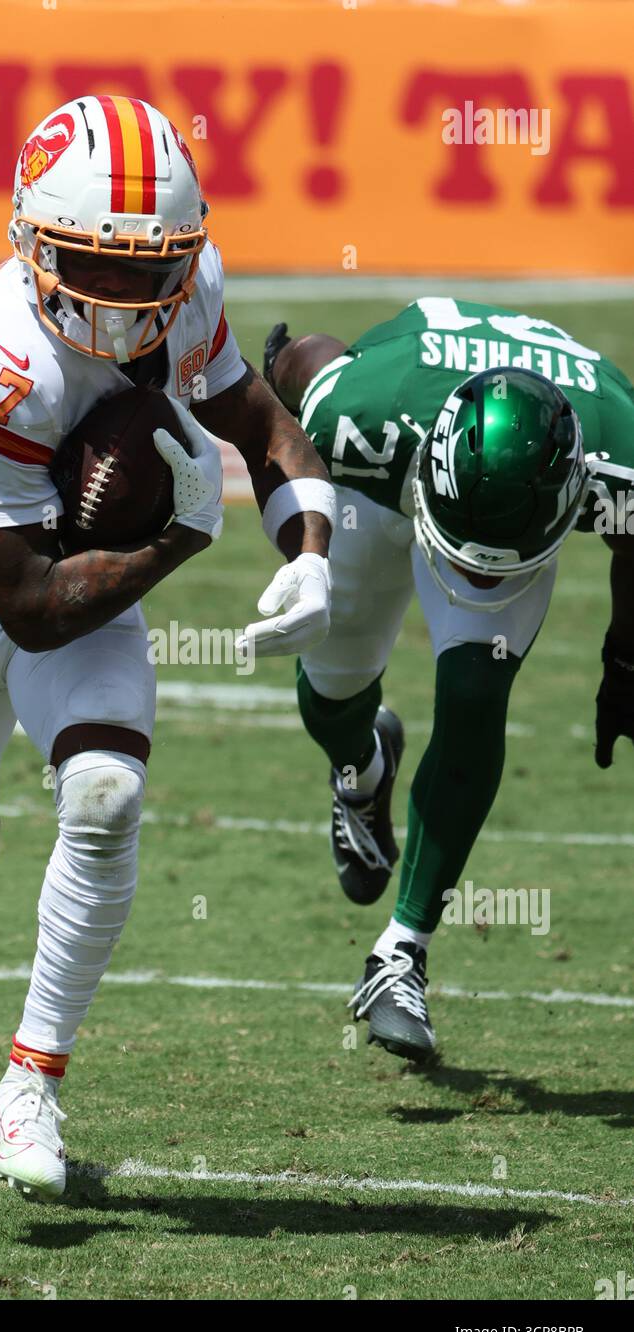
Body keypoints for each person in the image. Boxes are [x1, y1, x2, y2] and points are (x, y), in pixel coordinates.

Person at [0, 96, 336, 1202]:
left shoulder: (189, 293)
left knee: (103, 794)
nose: (128, 301)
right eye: (97, 266)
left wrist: (310, 547)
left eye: (152, 271)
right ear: (31, 241)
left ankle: (30, 1078)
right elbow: (28, 603)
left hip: (81, 598)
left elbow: (259, 421)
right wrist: (181, 535)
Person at [264, 298, 634, 1060]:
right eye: (464, 553)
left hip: (503, 491)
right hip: (385, 487)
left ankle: (401, 953)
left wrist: (623, 658)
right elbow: (304, 368)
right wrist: (304, 553)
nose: (467, 572)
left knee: (474, 702)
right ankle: (362, 765)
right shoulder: (364, 414)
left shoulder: (619, 454)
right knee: (332, 691)